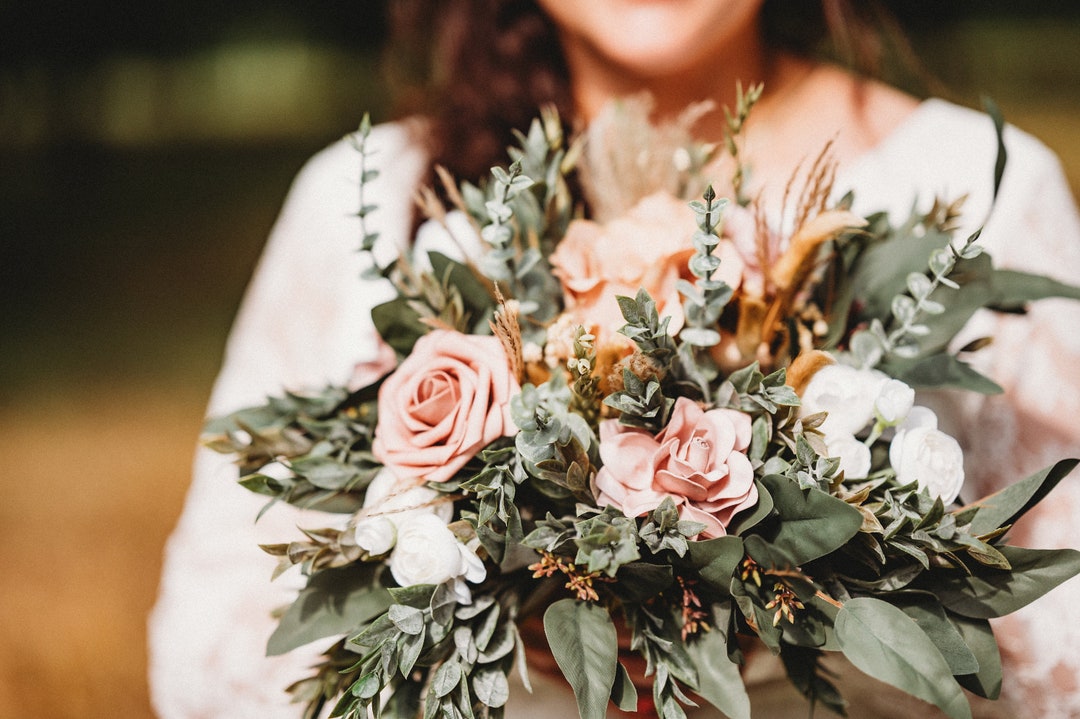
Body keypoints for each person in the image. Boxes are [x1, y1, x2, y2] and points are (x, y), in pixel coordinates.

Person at [149, 1, 1080, 717]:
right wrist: (491, 618)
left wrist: (787, 619)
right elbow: (209, 648)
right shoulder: (371, 202)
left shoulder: (973, 191)